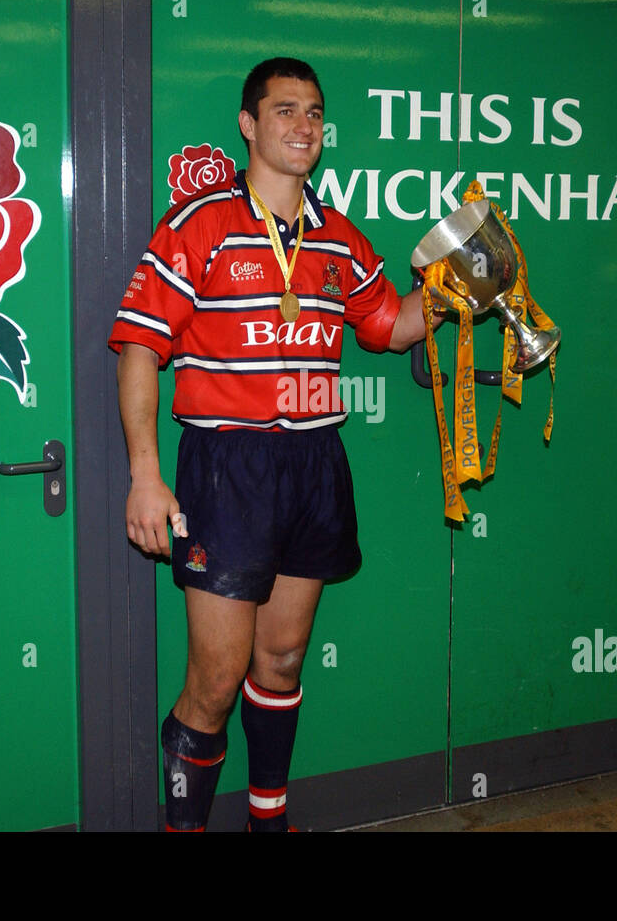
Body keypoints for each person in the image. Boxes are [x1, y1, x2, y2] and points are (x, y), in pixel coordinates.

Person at [109, 57, 434, 831]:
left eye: (315, 113)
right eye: (285, 111)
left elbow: (389, 329)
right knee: (215, 683)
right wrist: (146, 477)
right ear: (249, 125)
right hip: (228, 466)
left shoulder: (338, 237)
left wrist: (459, 289)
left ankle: (269, 819)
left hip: (316, 464)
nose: (304, 126)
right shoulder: (200, 224)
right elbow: (139, 349)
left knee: (282, 660)